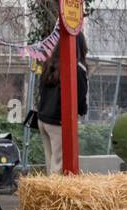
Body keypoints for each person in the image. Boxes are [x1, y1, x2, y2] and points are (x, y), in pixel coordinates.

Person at [36, 32, 88, 174]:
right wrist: (82, 110)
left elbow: (41, 90)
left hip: (42, 119)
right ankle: (55, 196)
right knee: (58, 166)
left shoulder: (49, 63)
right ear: (81, 46)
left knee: (50, 162)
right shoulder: (77, 67)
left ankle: (48, 194)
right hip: (58, 121)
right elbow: (81, 98)